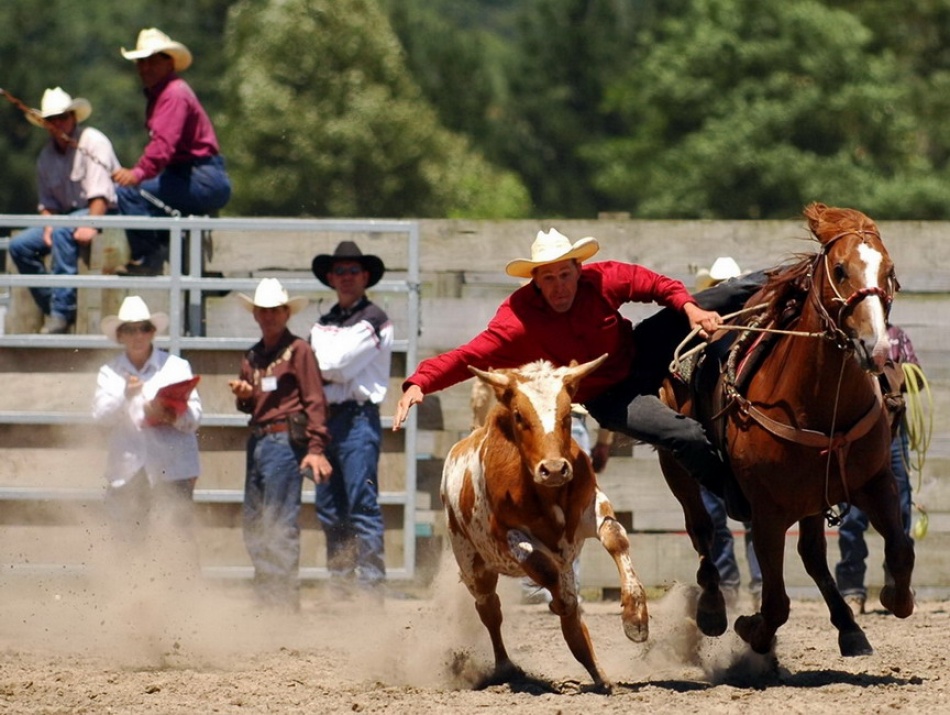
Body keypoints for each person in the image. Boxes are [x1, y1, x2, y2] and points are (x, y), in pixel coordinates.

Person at [393, 227, 745, 511]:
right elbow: (468, 356)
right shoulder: (518, 320)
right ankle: (741, 502)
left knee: (722, 294)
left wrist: (690, 309)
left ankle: (794, 278)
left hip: (639, 350)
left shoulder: (603, 279)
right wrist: (419, 382)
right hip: (611, 397)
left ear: (579, 270)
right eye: (548, 278)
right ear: (535, 281)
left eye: (565, 274)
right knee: (684, 435)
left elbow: (657, 285)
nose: (559, 286)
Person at [230, 278, 332, 611]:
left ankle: (282, 604)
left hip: (283, 443)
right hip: (261, 438)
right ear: (256, 314)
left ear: (285, 313)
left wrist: (316, 448)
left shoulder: (299, 350)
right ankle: (269, 596)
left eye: (275, 310)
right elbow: (252, 404)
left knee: (279, 522)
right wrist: (245, 397)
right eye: (264, 311)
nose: (269, 316)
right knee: (255, 521)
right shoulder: (254, 355)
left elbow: (315, 400)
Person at [309, 241, 393, 599]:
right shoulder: (325, 321)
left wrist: (322, 369)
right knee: (330, 506)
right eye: (340, 272)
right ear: (330, 277)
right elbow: (327, 366)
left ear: (365, 276)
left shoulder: (375, 319)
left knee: (360, 502)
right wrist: (325, 369)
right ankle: (342, 583)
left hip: (357, 419)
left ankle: (370, 586)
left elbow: (331, 366)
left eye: (352, 272)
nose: (346, 278)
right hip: (330, 420)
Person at [112, 28, 231, 276]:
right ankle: (163, 248)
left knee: (129, 194)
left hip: (199, 177)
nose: (145, 68)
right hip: (195, 176)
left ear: (169, 63)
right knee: (141, 194)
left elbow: (163, 146)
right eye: (141, 62)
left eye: (152, 61)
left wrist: (137, 173)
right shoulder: (169, 93)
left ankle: (150, 257)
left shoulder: (172, 95)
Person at [91, 295, 201, 557]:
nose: (137, 335)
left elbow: (195, 417)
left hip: (170, 468)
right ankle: (132, 596)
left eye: (143, 328)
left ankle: (178, 597)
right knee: (126, 542)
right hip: (129, 469)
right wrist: (125, 396)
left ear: (152, 332)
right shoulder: (109, 372)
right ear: (121, 336)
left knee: (177, 543)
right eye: (129, 329)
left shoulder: (176, 367)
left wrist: (169, 416)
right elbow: (100, 416)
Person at [9, 87, 119, 334]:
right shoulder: (46, 157)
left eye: (63, 117)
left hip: (103, 211)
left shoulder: (94, 141)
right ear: (45, 124)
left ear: (73, 118)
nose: (58, 123)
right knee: (20, 246)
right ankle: (54, 304)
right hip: (67, 217)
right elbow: (47, 204)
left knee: (60, 231)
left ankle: (61, 312)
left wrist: (91, 224)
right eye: (52, 119)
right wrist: (48, 223)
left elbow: (101, 193)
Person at [835, 322, 920, 615]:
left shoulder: (896, 336)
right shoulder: (848, 339)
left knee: (901, 512)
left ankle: (897, 584)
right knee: (853, 518)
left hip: (892, 433)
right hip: (858, 437)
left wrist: (896, 373)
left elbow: (916, 379)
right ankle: (851, 590)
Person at [695, 257, 761, 608]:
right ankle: (729, 585)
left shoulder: (757, 337)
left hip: (741, 438)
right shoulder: (700, 343)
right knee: (716, 518)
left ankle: (757, 585)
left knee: (754, 517)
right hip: (712, 442)